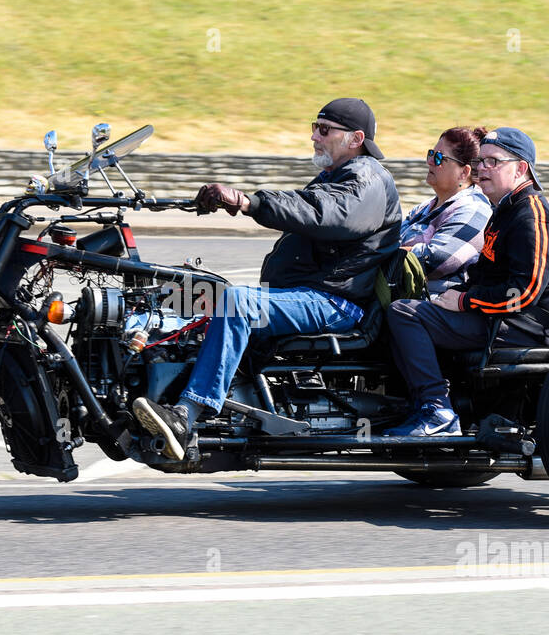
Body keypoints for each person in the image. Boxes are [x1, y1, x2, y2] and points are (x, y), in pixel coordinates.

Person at [133, 97, 403, 460]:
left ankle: (187, 414)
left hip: (337, 303)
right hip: (307, 296)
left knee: (237, 301)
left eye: (324, 130)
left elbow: (323, 213)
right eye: (314, 127)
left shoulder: (366, 178)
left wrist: (249, 203)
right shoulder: (339, 176)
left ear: (355, 138)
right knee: (186, 294)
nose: (314, 137)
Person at [384, 127, 549, 437]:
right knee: (415, 307)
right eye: (481, 161)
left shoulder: (533, 215)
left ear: (521, 168)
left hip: (518, 328)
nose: (482, 169)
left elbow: (523, 294)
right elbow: (483, 277)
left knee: (404, 313)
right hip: (494, 319)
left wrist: (463, 301)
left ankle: (436, 410)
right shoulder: (504, 211)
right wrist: (457, 294)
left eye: (493, 162)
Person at [399, 126, 493, 294]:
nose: (429, 161)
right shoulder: (423, 207)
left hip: (433, 308)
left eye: (439, 158)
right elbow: (391, 239)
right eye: (431, 154)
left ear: (464, 172)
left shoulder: (475, 209)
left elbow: (436, 261)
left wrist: (389, 253)